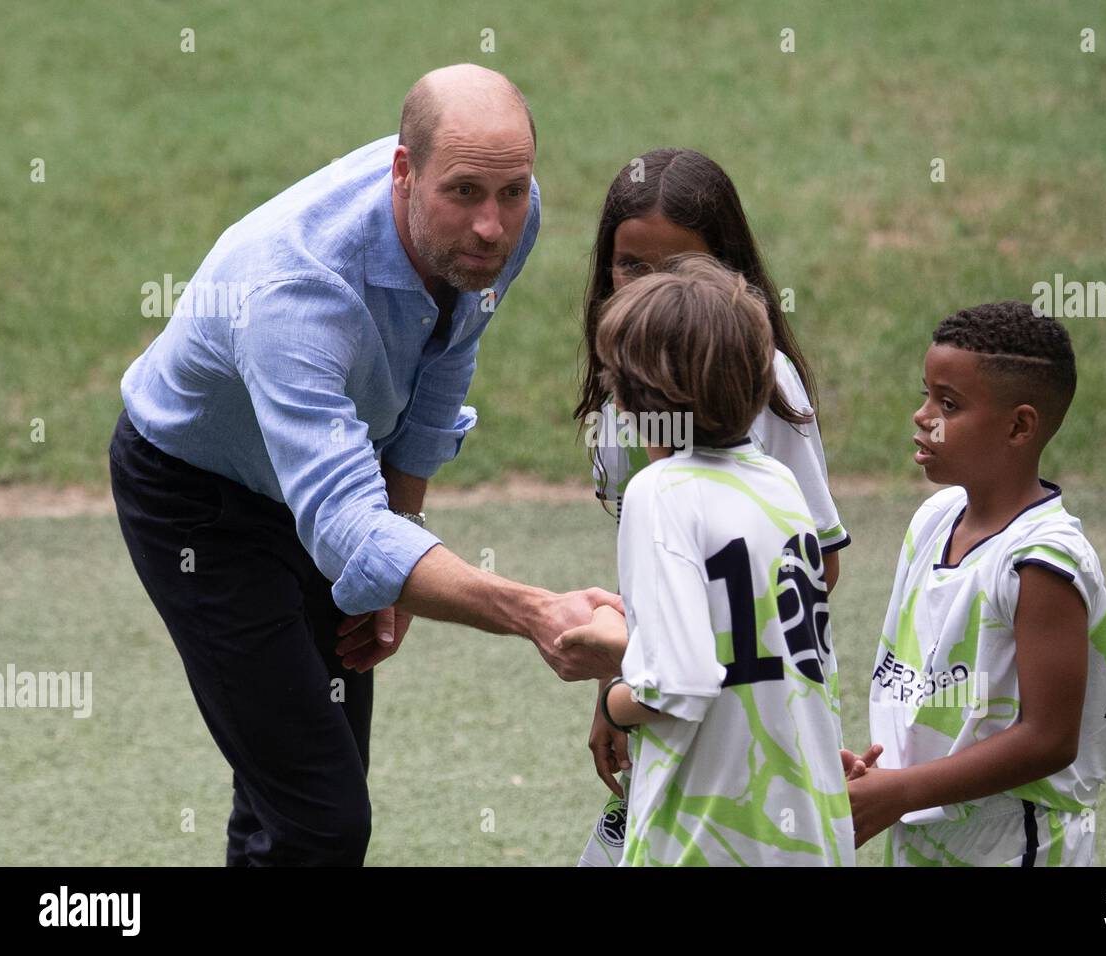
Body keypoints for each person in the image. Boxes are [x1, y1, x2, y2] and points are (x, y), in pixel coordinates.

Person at [108, 63, 618, 866]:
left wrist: (403, 530)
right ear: (405, 174)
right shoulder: (294, 290)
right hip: (198, 502)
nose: (493, 226)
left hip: (337, 473)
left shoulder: (506, 217)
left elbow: (448, 352)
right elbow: (345, 531)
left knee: (301, 777)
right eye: (466, 194)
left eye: (512, 192)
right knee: (321, 817)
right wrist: (533, 612)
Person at [572, 149, 851, 864]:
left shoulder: (751, 398)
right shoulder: (623, 404)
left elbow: (804, 573)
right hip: (732, 747)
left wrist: (620, 687)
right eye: (632, 266)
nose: (653, 288)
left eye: (678, 268)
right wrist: (630, 669)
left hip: (721, 765)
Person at [849, 300, 1106, 866]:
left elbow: (1049, 739)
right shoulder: (935, 517)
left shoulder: (1043, 560)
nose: (922, 415)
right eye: (926, 394)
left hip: (1015, 845)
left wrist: (903, 790)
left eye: (948, 403)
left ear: (1019, 425)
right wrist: (881, 774)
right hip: (925, 826)